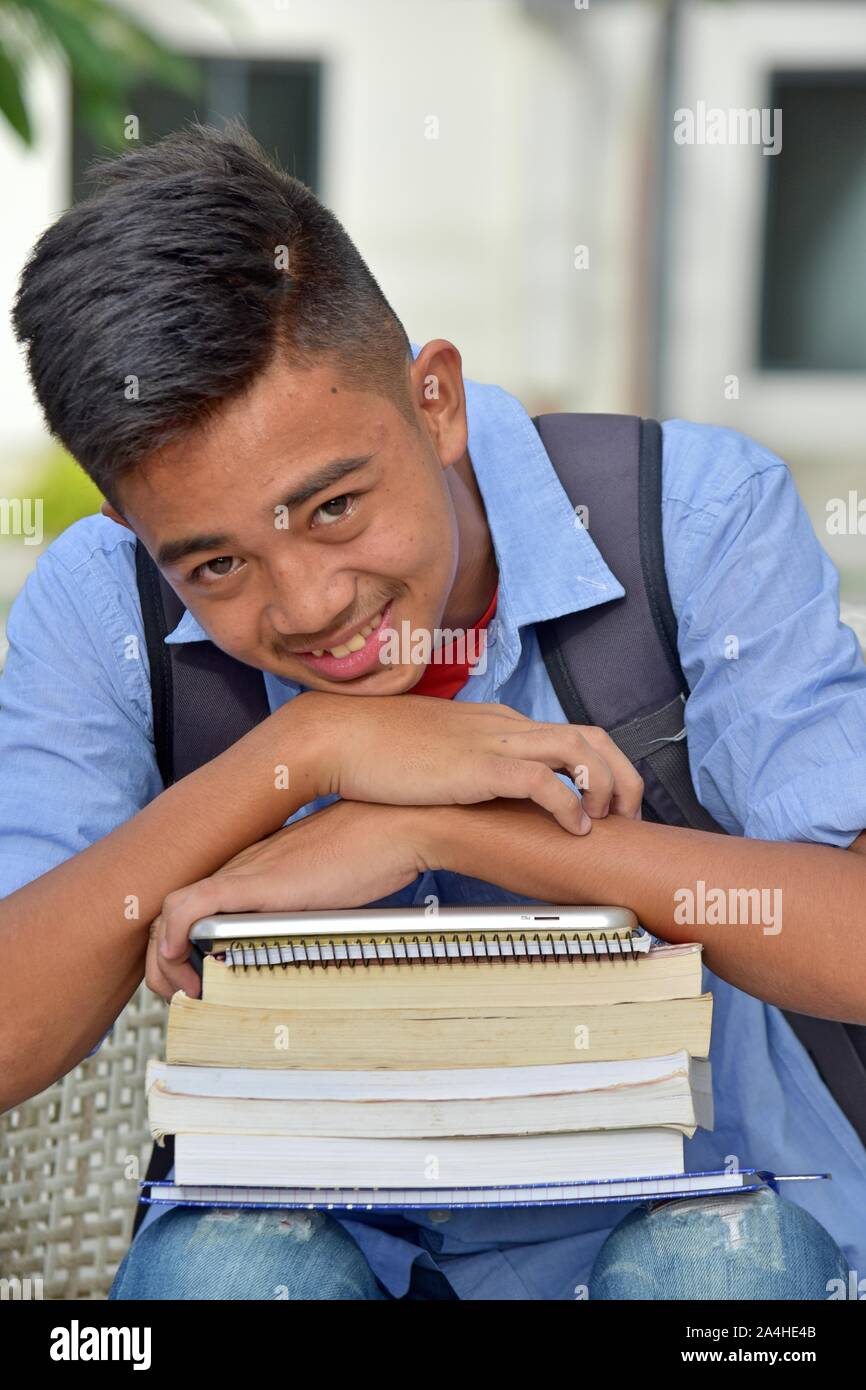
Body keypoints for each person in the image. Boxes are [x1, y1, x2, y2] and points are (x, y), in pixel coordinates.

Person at [3, 122, 865, 1301]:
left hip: (696, 1212)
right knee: (223, 1274)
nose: (309, 604)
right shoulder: (100, 605)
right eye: (213, 567)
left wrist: (445, 829)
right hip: (319, 1233)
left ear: (436, 399)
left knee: (722, 1273)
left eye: (337, 507)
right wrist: (304, 750)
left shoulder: (692, 515)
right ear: (130, 532)